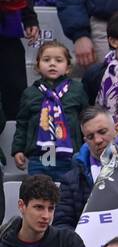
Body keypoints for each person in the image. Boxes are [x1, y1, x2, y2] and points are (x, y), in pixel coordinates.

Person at [12, 41, 87, 180]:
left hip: (69, 157)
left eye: (59, 60)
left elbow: (86, 121)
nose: (52, 64)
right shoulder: (30, 93)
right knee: (38, 192)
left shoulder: (77, 90)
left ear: (68, 68)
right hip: (38, 157)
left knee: (66, 196)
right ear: (38, 66)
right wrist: (18, 149)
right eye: (46, 60)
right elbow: (22, 124)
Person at [54, 107, 117, 230]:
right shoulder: (70, 180)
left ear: (117, 129)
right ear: (85, 141)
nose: (98, 140)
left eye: (102, 132)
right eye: (90, 136)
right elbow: (62, 225)